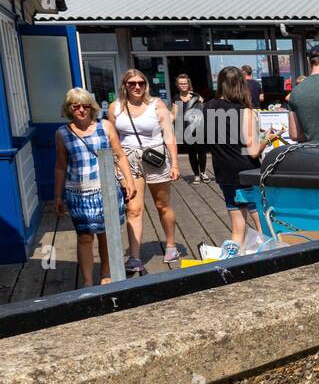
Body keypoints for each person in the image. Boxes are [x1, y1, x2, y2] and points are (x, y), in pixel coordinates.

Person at [53, 88, 135, 287]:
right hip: (78, 192)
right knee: (84, 237)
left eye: (85, 105)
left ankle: (106, 273)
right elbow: (61, 165)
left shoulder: (105, 126)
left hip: (105, 189)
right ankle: (88, 281)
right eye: (76, 106)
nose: (81, 110)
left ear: (92, 107)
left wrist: (129, 180)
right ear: (69, 109)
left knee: (105, 234)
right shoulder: (62, 133)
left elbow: (120, 155)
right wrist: (57, 195)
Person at [110, 69, 180, 270]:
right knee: (133, 208)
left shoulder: (156, 105)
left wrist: (174, 163)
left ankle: (171, 244)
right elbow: (113, 138)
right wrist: (116, 163)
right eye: (132, 83)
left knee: (162, 204)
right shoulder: (115, 108)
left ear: (145, 84)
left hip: (155, 157)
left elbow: (169, 136)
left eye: (140, 82)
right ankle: (134, 256)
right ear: (125, 85)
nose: (137, 87)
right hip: (128, 159)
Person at [206, 66, 269, 247]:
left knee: (237, 226)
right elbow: (252, 151)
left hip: (223, 170)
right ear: (241, 85)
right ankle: (268, 257)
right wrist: (267, 139)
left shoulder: (208, 107)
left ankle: (235, 262)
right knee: (261, 223)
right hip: (246, 171)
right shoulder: (244, 111)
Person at [174, 73, 207, 182]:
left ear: (188, 84)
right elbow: (174, 114)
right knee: (192, 152)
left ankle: (203, 172)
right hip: (185, 128)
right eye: (181, 84)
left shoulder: (195, 95)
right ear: (177, 85)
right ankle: (196, 175)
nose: (183, 85)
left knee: (201, 151)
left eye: (185, 83)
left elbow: (203, 108)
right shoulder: (176, 97)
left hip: (198, 127)